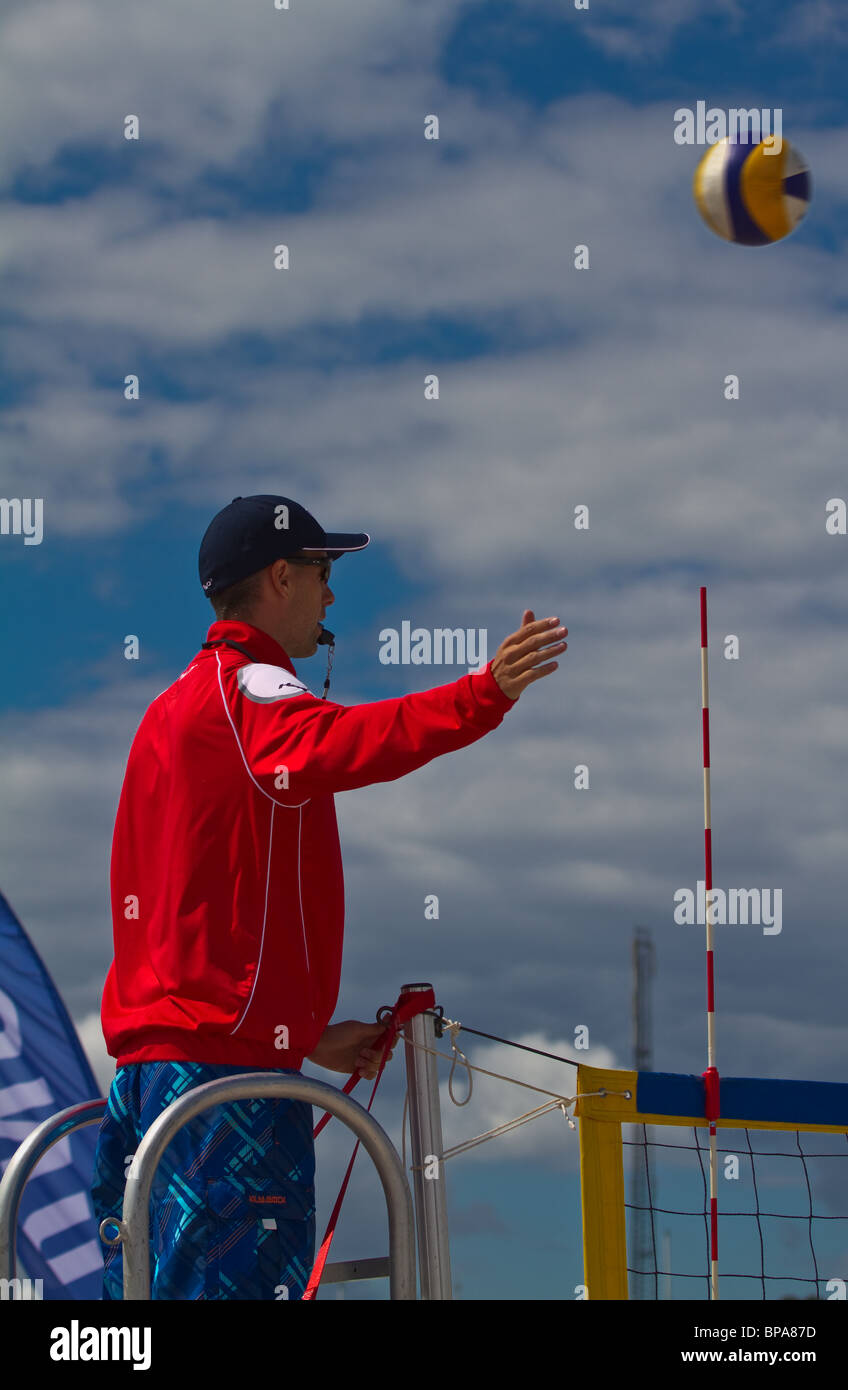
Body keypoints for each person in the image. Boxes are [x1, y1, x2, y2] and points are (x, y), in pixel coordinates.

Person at [91, 494, 568, 1300]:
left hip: (148, 1082)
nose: (332, 596)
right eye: (322, 571)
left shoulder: (169, 709)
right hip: (224, 1090)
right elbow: (355, 743)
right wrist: (482, 692)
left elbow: (196, 922)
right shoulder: (256, 695)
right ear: (280, 576)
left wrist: (305, 1034)